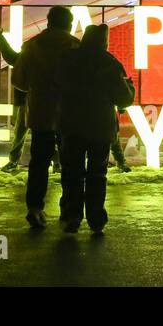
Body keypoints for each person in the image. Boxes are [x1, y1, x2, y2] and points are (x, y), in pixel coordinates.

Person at [57, 24, 135, 233]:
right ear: (103, 42)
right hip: (100, 127)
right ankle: (96, 220)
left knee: (72, 172)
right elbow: (123, 98)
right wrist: (131, 87)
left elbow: (56, 87)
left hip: (71, 124)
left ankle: (72, 215)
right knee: (97, 174)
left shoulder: (68, 59)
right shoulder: (109, 63)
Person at [12, 5, 78, 228]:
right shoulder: (75, 46)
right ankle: (69, 210)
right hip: (69, 115)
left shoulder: (32, 46)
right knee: (71, 164)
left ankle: (35, 208)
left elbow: (19, 81)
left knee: (39, 164)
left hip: (41, 113)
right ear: (68, 23)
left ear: (49, 22)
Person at [0, 27, 60, 175]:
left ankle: (14, 161)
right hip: (43, 102)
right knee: (47, 134)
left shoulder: (26, 58)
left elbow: (10, 56)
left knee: (23, 133)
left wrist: (0, 38)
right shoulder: (46, 58)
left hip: (26, 101)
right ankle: (56, 162)